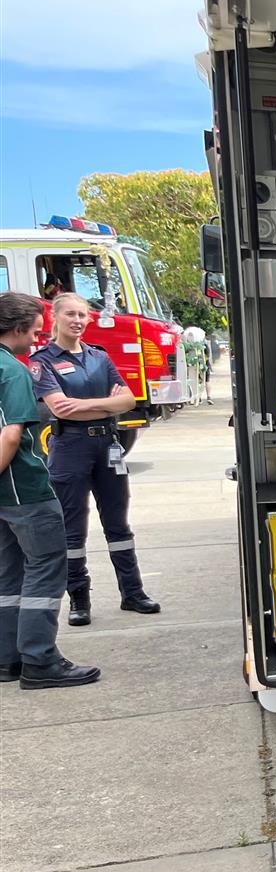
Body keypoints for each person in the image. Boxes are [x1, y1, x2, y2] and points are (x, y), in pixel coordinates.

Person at [29, 293, 160, 626]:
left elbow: (129, 400)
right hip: (69, 448)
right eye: (70, 314)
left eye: (83, 315)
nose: (77, 320)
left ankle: (133, 593)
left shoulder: (99, 357)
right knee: (73, 531)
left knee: (118, 525)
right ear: (55, 318)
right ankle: (79, 599)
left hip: (107, 446)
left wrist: (87, 406)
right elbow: (60, 408)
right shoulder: (42, 361)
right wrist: (106, 404)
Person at [0, 292, 99, 688]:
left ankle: (8, 658)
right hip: (25, 491)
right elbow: (11, 436)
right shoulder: (13, 371)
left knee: (8, 578)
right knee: (44, 572)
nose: (36, 340)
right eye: (34, 332)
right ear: (19, 329)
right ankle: (40, 660)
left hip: (4, 500)